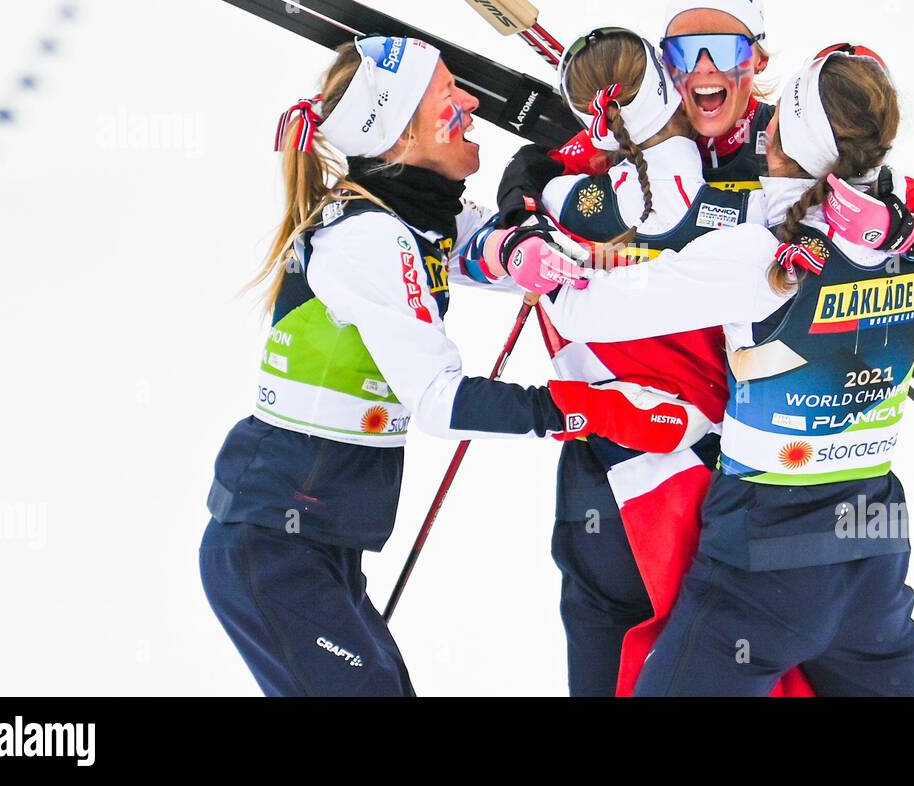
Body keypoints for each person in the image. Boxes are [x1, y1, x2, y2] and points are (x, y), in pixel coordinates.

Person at [197, 34, 709, 697]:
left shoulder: (410, 214)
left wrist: (539, 244)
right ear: (402, 138)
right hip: (272, 547)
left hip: (311, 540)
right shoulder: (369, 238)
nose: (471, 101)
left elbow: (486, 250)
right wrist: (598, 410)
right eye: (448, 95)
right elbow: (439, 400)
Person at [540, 46, 914, 695]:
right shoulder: (904, 224)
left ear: (777, 133)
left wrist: (528, 245)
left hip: (766, 560)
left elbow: (581, 312)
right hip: (874, 555)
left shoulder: (761, 255)